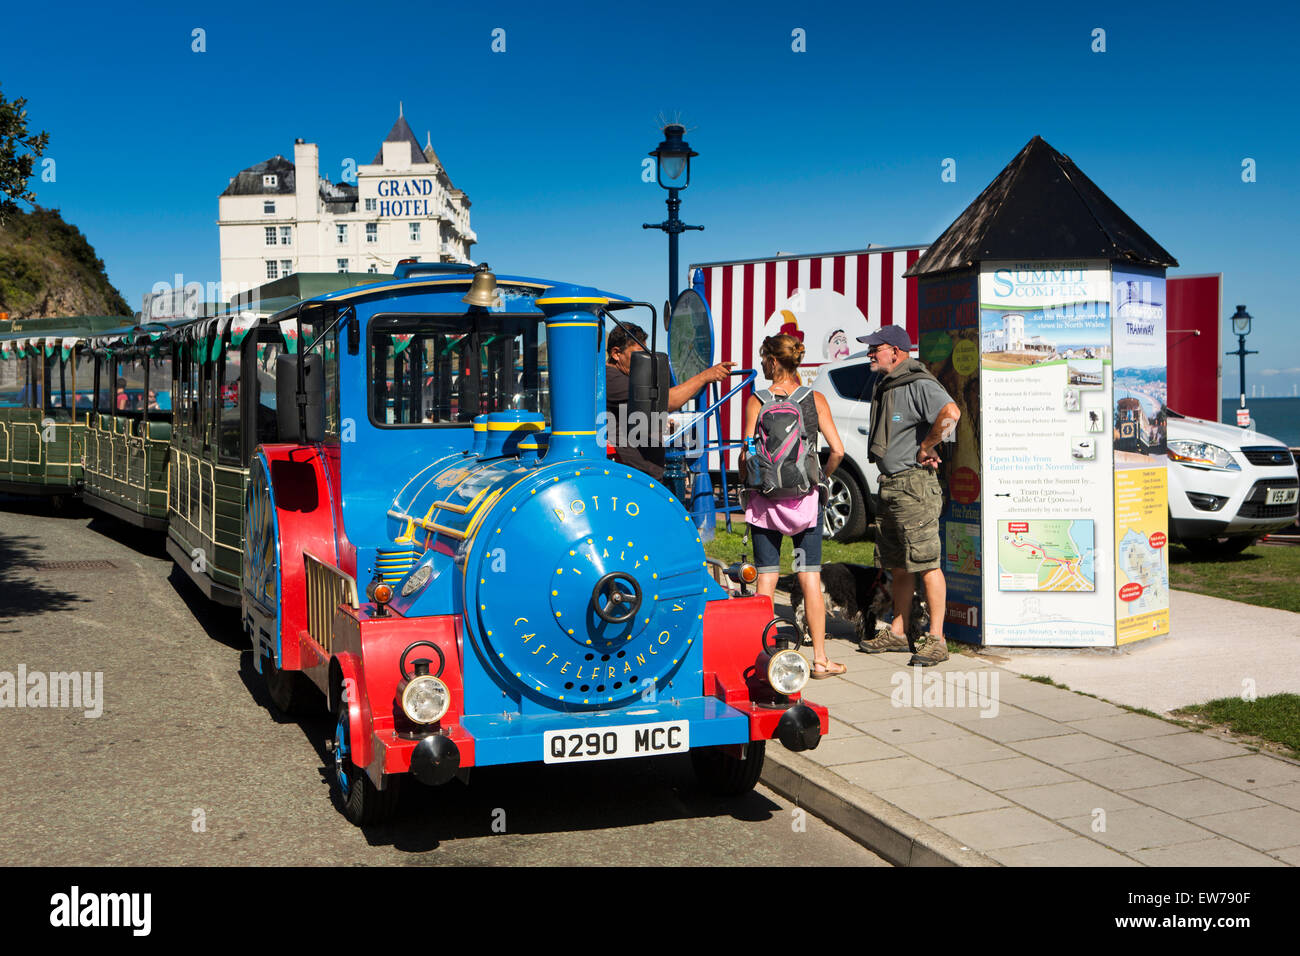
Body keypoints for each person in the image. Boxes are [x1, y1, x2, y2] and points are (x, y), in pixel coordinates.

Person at [742, 334, 847, 679]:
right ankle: (820, 660)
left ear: (773, 362)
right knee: (809, 579)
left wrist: (752, 483)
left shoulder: (757, 401)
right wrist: (820, 479)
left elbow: (746, 454)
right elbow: (838, 451)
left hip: (766, 505)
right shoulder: (814, 399)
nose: (761, 365)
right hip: (805, 505)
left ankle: (763, 655)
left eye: (763, 359)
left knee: (766, 583)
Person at [855, 325, 960, 667]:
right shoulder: (888, 384)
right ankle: (899, 632)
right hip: (892, 485)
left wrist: (928, 445)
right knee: (898, 565)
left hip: (914, 487)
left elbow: (951, 414)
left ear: (897, 352)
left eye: (876, 348)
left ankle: (937, 639)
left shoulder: (916, 382)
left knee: (927, 563)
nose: (871, 353)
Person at [604, 323, 733, 482]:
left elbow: (637, 412)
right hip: (635, 476)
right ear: (616, 353)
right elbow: (665, 401)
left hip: (644, 473)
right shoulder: (611, 379)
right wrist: (704, 376)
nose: (644, 361)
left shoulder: (623, 378)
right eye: (638, 355)